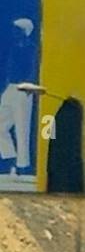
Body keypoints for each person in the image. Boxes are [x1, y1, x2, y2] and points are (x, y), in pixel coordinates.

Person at [0, 17, 38, 178]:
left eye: (17, 30)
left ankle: (22, 165)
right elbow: (8, 68)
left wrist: (29, 85)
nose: (14, 32)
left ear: (24, 31)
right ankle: (10, 157)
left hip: (24, 89)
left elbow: (34, 68)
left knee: (22, 129)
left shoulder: (32, 49)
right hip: (10, 87)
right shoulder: (14, 47)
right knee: (1, 126)